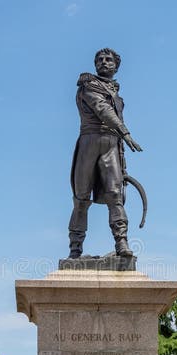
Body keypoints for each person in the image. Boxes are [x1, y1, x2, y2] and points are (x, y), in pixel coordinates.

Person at [68, 48, 142, 258]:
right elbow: (102, 109)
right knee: (81, 198)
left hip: (111, 144)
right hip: (90, 141)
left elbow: (112, 113)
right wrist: (125, 132)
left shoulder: (116, 93)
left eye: (109, 60)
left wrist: (121, 147)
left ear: (116, 66)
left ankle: (122, 243)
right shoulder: (89, 85)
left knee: (115, 195)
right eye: (100, 59)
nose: (103, 62)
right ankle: (75, 249)